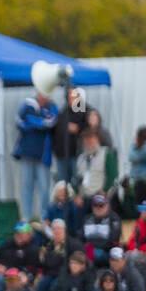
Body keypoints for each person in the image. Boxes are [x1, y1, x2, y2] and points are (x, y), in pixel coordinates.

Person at [13, 86, 57, 220]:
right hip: (27, 154)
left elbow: (50, 123)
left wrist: (32, 120)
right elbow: (19, 122)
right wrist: (38, 123)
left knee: (44, 188)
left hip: (43, 156)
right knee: (27, 187)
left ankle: (44, 218)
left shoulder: (52, 106)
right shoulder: (27, 103)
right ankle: (26, 217)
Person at [51, 87, 88, 184]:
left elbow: (87, 130)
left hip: (75, 154)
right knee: (62, 184)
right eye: (70, 96)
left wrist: (77, 129)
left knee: (75, 183)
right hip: (61, 154)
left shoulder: (83, 111)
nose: (72, 98)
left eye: (74, 96)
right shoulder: (63, 111)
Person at [80, 192, 121, 257]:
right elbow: (81, 237)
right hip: (88, 250)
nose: (98, 208)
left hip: (107, 251)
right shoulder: (87, 218)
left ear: (107, 206)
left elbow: (114, 239)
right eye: (95, 205)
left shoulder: (114, 218)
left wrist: (95, 248)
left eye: (101, 205)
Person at [73, 128, 108, 201]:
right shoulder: (80, 158)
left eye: (91, 138)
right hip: (83, 197)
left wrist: (105, 191)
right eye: (86, 139)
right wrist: (76, 194)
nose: (89, 141)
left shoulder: (106, 153)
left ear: (97, 139)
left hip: (99, 196)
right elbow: (76, 178)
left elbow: (112, 174)